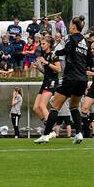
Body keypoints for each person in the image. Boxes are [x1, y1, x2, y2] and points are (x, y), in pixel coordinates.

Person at [34, 16, 89, 145]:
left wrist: (56, 53)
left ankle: (46, 135)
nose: (69, 26)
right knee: (74, 106)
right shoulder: (86, 42)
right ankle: (79, 133)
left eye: (70, 24)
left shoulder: (70, 37)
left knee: (55, 107)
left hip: (71, 78)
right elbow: (89, 61)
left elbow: (68, 50)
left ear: (74, 26)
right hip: (83, 79)